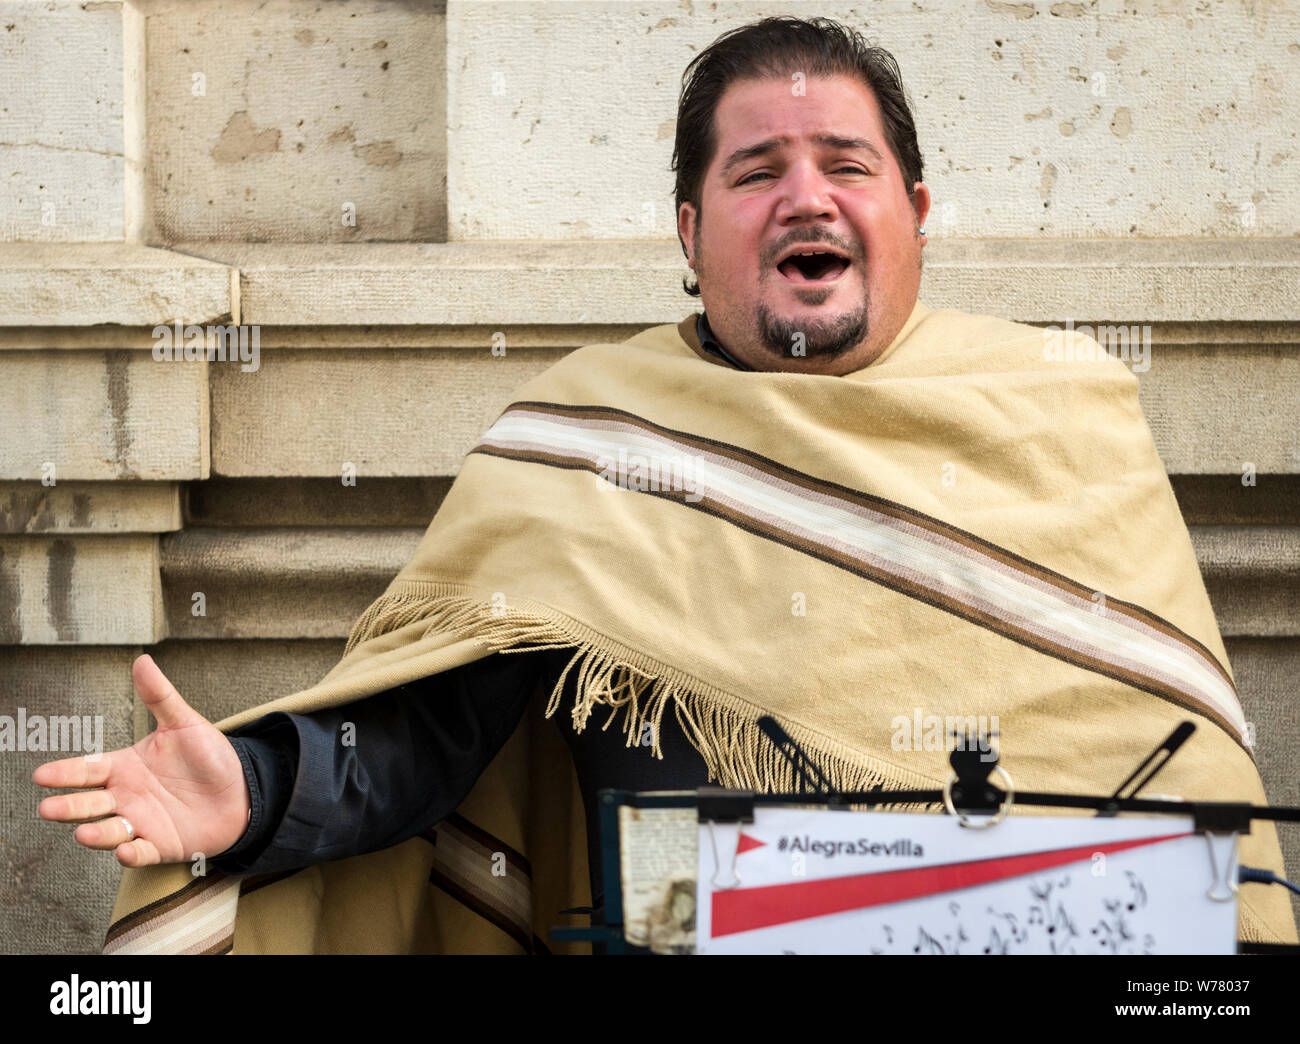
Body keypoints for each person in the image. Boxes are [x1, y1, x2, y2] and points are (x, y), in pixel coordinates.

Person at [33, 15, 1298, 953]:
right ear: (691, 234)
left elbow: (1179, 786)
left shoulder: (1061, 413)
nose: (806, 194)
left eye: (846, 166)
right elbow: (425, 737)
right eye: (755, 173)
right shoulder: (593, 438)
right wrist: (253, 795)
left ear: (914, 211)